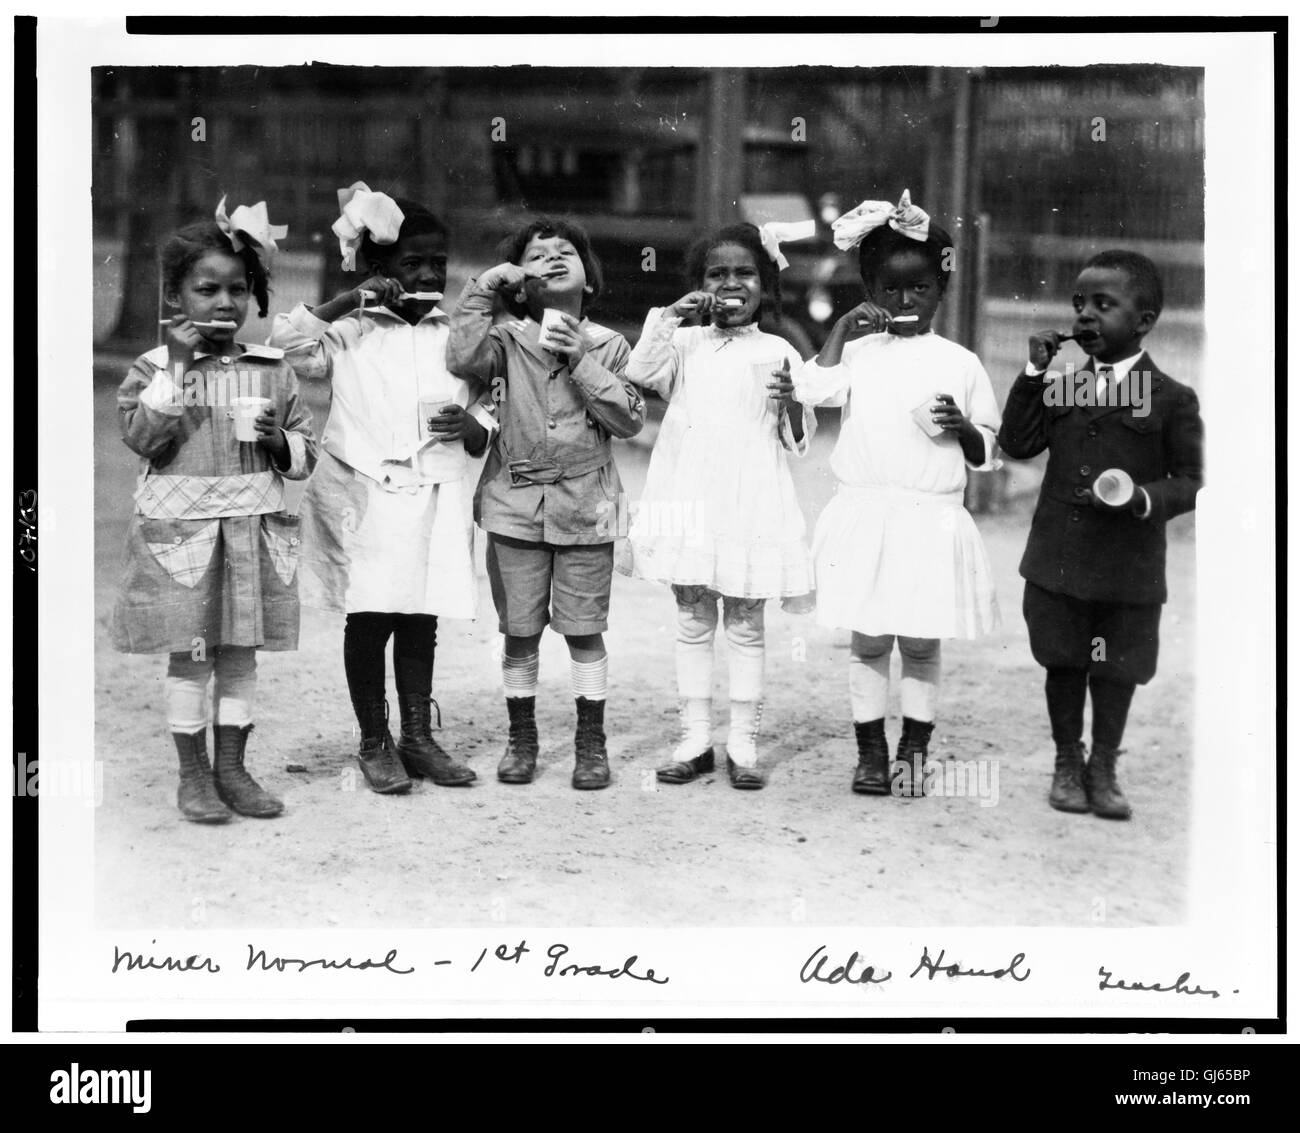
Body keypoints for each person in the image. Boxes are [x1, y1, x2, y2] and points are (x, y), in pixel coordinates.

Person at [270, 184, 493, 795]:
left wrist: (477, 425)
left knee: (420, 613)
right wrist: (349, 300)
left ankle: (418, 737)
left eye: (438, 265)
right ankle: (374, 737)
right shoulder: (351, 331)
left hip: (433, 488)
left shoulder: (456, 334)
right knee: (371, 615)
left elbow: (491, 393)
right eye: (411, 264)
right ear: (380, 271)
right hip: (364, 490)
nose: (427, 275)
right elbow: (288, 344)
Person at [112, 198, 316, 823]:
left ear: (254, 298)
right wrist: (175, 369)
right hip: (186, 541)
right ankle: (193, 774)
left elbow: (305, 455)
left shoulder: (273, 374)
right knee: (191, 654)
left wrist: (280, 442)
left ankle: (232, 767)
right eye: (206, 289)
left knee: (239, 656)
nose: (224, 303)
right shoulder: (154, 369)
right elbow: (144, 438)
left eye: (237, 289)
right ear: (176, 298)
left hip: (251, 535)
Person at [794, 191, 1001, 797]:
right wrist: (839, 331)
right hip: (868, 512)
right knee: (869, 637)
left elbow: (987, 445)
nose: (905, 302)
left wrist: (962, 427)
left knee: (919, 637)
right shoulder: (857, 353)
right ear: (868, 290)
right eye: (889, 290)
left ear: (941, 291)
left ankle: (914, 747)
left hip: (930, 519)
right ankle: (870, 753)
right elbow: (815, 390)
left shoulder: (959, 362)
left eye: (919, 291)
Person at [997, 250, 1203, 819]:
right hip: (1060, 562)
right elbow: (1017, 444)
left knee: (1116, 669)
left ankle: (1104, 764)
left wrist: (1141, 499)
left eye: (1103, 305)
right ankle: (1068, 759)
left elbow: (1194, 480)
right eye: (1079, 305)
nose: (1085, 317)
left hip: (1126, 569)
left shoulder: (1171, 399)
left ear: (1144, 321)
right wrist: (1035, 374)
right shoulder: (1063, 387)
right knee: (1064, 662)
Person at [447, 216, 644, 789]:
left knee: (584, 630)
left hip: (587, 506)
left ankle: (590, 742)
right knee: (520, 630)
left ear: (589, 280)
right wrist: (485, 287)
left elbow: (629, 418)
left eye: (567, 253)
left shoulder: (608, 345)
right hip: (513, 503)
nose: (554, 258)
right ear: (519, 283)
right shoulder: (503, 343)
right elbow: (462, 359)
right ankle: (522, 738)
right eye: (537, 255)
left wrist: (581, 360)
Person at [620, 222, 816, 790]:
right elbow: (640, 375)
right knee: (692, 616)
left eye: (745, 273)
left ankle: (743, 743)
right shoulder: (683, 342)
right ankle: (694, 739)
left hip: (751, 498)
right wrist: (671, 316)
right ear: (701, 284)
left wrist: (790, 405)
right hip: (690, 494)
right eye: (718, 274)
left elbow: (796, 441)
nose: (731, 284)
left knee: (748, 623)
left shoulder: (779, 350)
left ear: (765, 284)